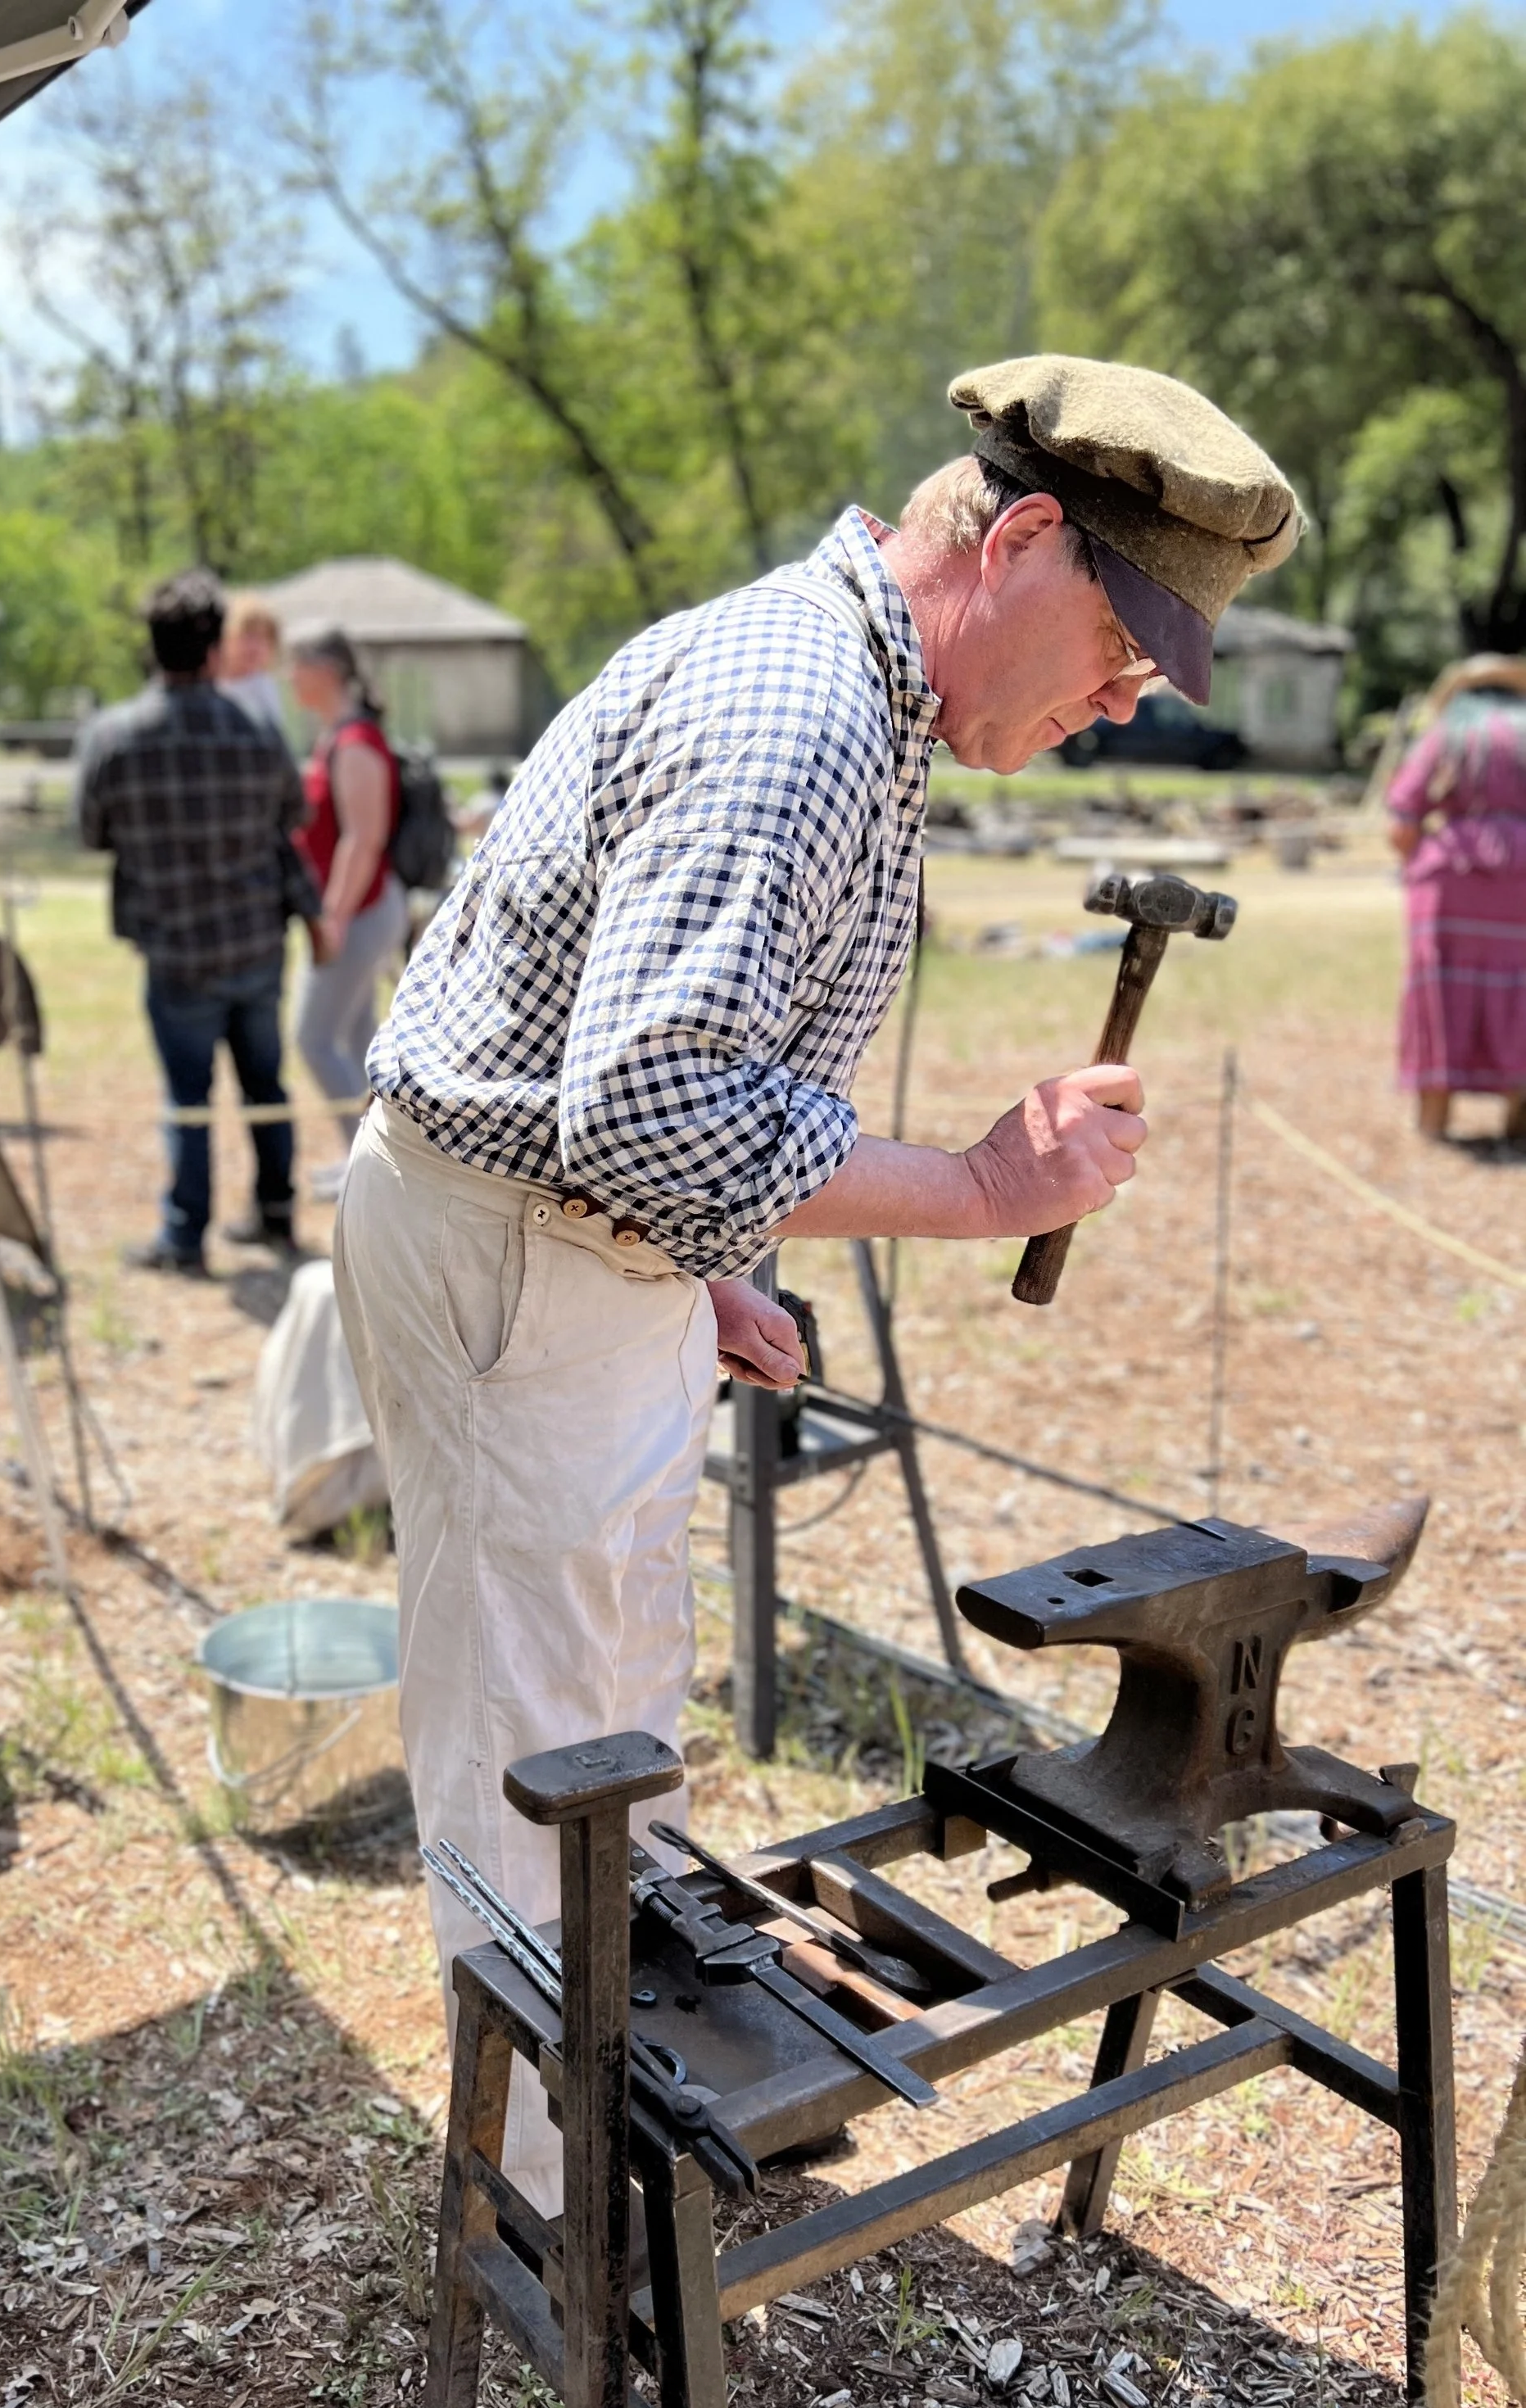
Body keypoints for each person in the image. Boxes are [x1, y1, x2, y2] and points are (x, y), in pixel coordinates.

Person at [333, 353, 1301, 2204]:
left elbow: (619, 1046)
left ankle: (655, 2084)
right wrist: (977, 1184)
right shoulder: (796, 711)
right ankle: (556, 2196)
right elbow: (650, 1097)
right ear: (1019, 536)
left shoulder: (837, 681)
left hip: (575, 1244)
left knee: (610, 1685)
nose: (1119, 702)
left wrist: (694, 1259)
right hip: (515, 1247)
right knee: (536, 1741)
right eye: (1120, 646)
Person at [75, 568, 308, 1275]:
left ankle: (186, 1234)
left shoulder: (113, 737)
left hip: (173, 943)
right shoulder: (258, 730)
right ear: (214, 650)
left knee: (188, 1097)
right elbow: (290, 817)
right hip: (255, 939)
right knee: (266, 1084)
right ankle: (275, 1214)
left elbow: (90, 832)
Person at [1387, 654, 1526, 1143]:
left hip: (1451, 882)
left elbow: (1402, 822)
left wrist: (1417, 865)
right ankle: (1519, 1119)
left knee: (1440, 994)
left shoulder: (1447, 735)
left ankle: (1434, 1121)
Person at [289, 627, 406, 1202]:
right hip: (356, 912)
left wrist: (331, 919)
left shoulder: (354, 740)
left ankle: (368, 1169)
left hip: (360, 912)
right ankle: (364, 1161)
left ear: (325, 669)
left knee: (312, 1037)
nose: (290, 676)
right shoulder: (336, 735)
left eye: (298, 663)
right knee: (358, 1041)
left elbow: (363, 839)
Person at [216, 592, 288, 738]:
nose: (256, 647)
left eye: (265, 638)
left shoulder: (264, 686)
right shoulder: (209, 685)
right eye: (249, 636)